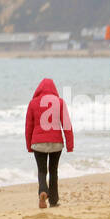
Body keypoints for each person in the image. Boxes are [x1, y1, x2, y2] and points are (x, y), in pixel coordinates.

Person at [24, 77, 75, 208]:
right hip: (56, 143)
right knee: (53, 171)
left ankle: (42, 191)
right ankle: (53, 200)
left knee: (42, 171)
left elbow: (28, 126)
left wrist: (29, 145)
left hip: (38, 143)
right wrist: (70, 145)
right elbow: (67, 125)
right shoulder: (60, 102)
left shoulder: (33, 103)